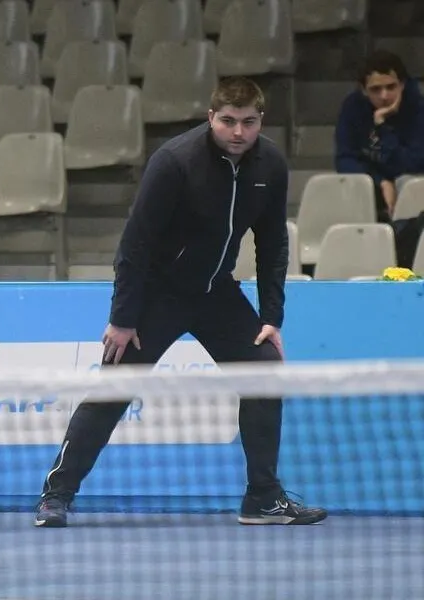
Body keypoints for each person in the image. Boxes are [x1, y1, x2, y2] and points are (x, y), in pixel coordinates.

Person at [33, 77, 329, 529]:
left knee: (264, 369)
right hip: (158, 295)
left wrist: (272, 317)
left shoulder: (270, 163)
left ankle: (263, 499)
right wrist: (123, 319)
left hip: (216, 293)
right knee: (112, 391)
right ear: (211, 117)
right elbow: (135, 243)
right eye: (228, 121)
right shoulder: (174, 161)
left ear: (260, 122)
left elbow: (272, 244)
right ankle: (56, 496)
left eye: (248, 123)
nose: (237, 132)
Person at [335, 49, 424, 222]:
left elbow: (412, 164)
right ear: (363, 90)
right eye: (376, 89)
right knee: (354, 185)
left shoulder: (418, 110)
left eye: (391, 87)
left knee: (407, 183)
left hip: (410, 185)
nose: (384, 96)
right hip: (374, 184)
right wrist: (380, 181)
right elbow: (344, 158)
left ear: (402, 84)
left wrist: (382, 126)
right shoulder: (352, 108)